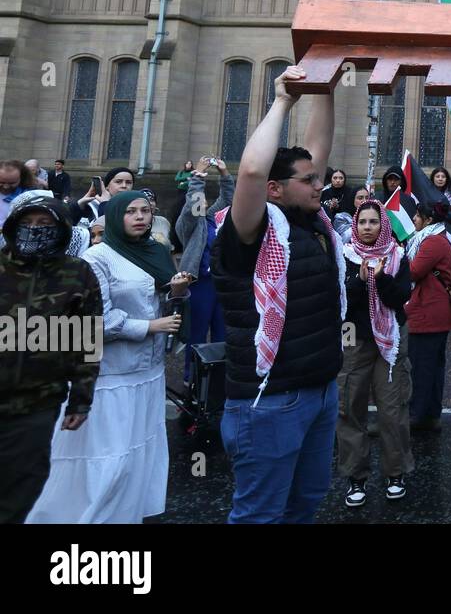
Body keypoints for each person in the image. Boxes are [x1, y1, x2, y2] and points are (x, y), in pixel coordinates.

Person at [212, 64, 344, 525]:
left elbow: (316, 150)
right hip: (268, 402)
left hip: (319, 392)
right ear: (274, 189)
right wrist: (284, 100)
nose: (319, 184)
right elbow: (250, 169)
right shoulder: (249, 230)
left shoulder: (306, 221)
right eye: (308, 180)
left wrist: (324, 87)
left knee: (303, 505)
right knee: (260, 516)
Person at [28, 191, 191, 523]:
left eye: (146, 210)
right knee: (110, 456)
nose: (140, 217)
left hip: (148, 371)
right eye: (131, 211)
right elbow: (95, 318)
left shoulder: (155, 251)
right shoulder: (96, 258)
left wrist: (176, 292)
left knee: (136, 454)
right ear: (116, 217)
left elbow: (159, 299)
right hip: (112, 374)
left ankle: (125, 514)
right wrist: (148, 326)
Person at [0, 194, 102, 524]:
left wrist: (80, 400)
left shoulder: (77, 273)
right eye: (27, 223)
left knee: (20, 489)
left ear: (60, 230)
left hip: (36, 405)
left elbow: (87, 342)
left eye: (44, 224)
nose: (34, 229)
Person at [338, 199, 413, 507]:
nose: (367, 227)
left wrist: (380, 279)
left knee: (392, 408)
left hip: (391, 340)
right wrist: (360, 280)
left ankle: (395, 472)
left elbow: (401, 297)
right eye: (363, 222)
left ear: (384, 225)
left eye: (373, 222)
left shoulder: (397, 256)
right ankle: (356, 477)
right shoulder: (345, 256)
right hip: (354, 338)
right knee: (350, 406)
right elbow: (341, 301)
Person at [175, 155, 234, 382]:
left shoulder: (214, 219)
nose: (205, 202)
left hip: (222, 285)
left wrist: (224, 173)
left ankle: (219, 385)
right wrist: (197, 176)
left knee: (223, 337)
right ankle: (192, 382)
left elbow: (228, 199)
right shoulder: (190, 223)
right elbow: (193, 206)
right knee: (196, 336)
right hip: (199, 285)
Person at [405, 202, 451, 433]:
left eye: (418, 215)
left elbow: (413, 271)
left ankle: (416, 415)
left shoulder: (433, 241)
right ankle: (431, 415)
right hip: (435, 312)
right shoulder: (436, 238)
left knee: (422, 367)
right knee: (433, 367)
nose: (414, 218)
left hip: (428, 312)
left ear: (428, 220)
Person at [0, 160, 39, 225]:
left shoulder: (30, 196)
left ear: (22, 178)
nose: (6, 187)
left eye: (12, 183)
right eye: (1, 182)